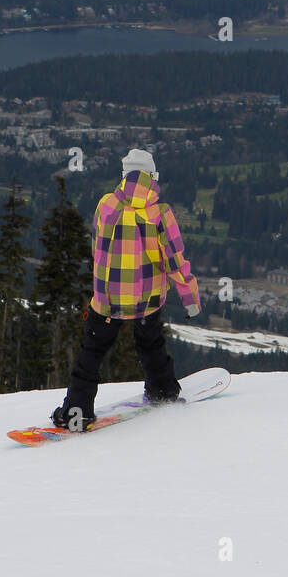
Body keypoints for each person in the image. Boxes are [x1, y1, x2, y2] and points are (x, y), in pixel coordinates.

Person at [52, 148, 201, 430]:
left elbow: (97, 247)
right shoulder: (160, 213)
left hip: (107, 300)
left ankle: (77, 412)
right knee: (151, 344)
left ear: (123, 176)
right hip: (147, 300)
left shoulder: (105, 204)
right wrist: (190, 298)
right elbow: (175, 260)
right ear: (153, 176)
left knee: (91, 353)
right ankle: (163, 391)